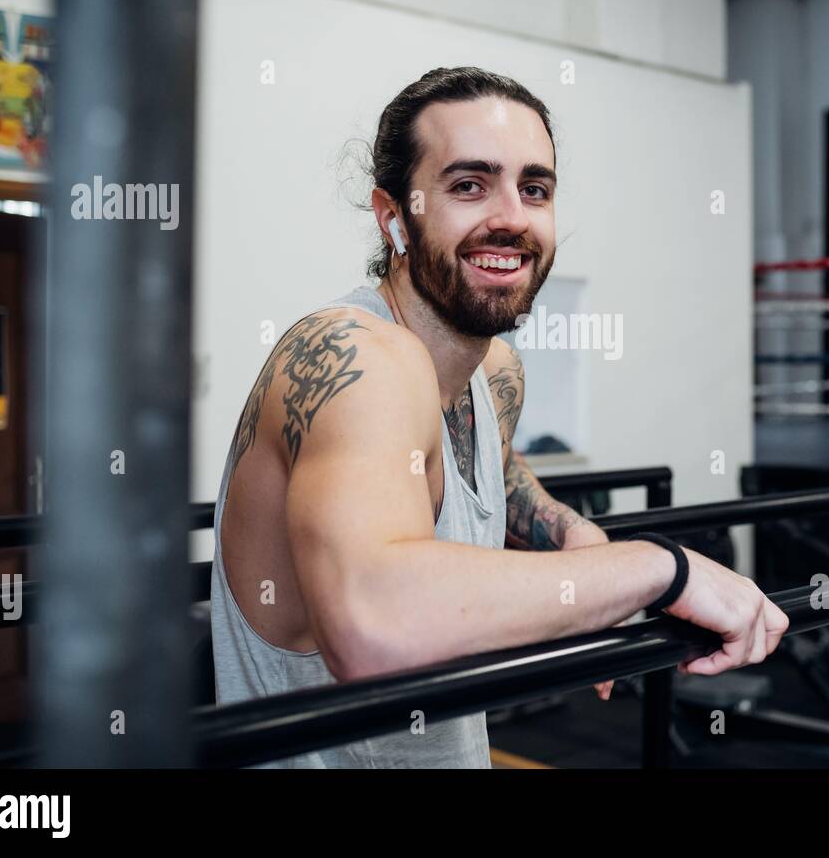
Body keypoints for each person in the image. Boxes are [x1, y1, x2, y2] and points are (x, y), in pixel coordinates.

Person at [209, 66, 789, 767]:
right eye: (468, 185)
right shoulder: (350, 356)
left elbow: (489, 472)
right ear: (395, 216)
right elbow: (374, 625)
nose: (511, 216)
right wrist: (661, 569)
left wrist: (573, 533)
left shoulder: (494, 373)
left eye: (534, 188)